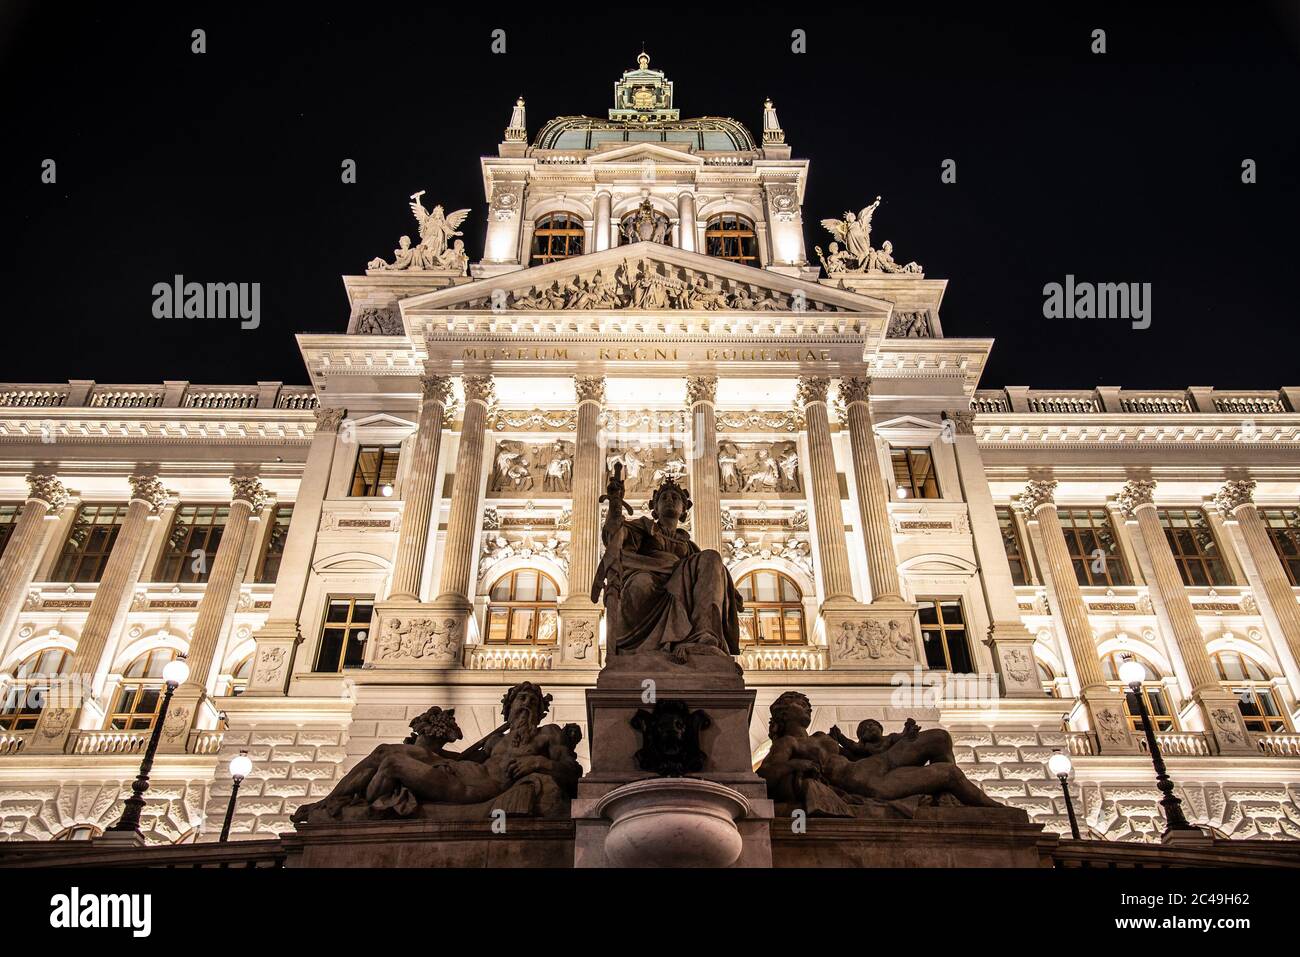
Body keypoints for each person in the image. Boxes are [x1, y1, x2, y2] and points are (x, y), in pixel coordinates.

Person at [592, 473, 743, 662]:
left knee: (712, 557)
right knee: (641, 582)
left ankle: (704, 636)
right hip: (650, 577)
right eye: (663, 498)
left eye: (675, 497)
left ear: (684, 510)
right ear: (655, 509)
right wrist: (615, 505)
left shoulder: (690, 548)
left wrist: (727, 587)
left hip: (682, 586)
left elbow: (708, 576)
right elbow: (614, 537)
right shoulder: (644, 528)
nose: (669, 500)